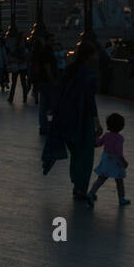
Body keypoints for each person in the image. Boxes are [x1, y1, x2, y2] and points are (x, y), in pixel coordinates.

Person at [41, 42, 102, 201]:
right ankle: (80, 187)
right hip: (82, 118)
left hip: (65, 117)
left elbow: (60, 92)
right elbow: (90, 101)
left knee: (75, 152)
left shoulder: (69, 71)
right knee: (85, 154)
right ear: (89, 56)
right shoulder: (89, 75)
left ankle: (77, 182)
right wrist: (97, 122)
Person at [86, 112, 130, 206]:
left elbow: (98, 144)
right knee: (119, 181)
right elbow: (119, 153)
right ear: (121, 126)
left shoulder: (106, 136)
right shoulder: (119, 138)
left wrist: (96, 136)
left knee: (101, 179)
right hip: (116, 162)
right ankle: (121, 199)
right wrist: (124, 162)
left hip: (106, 159)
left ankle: (91, 193)